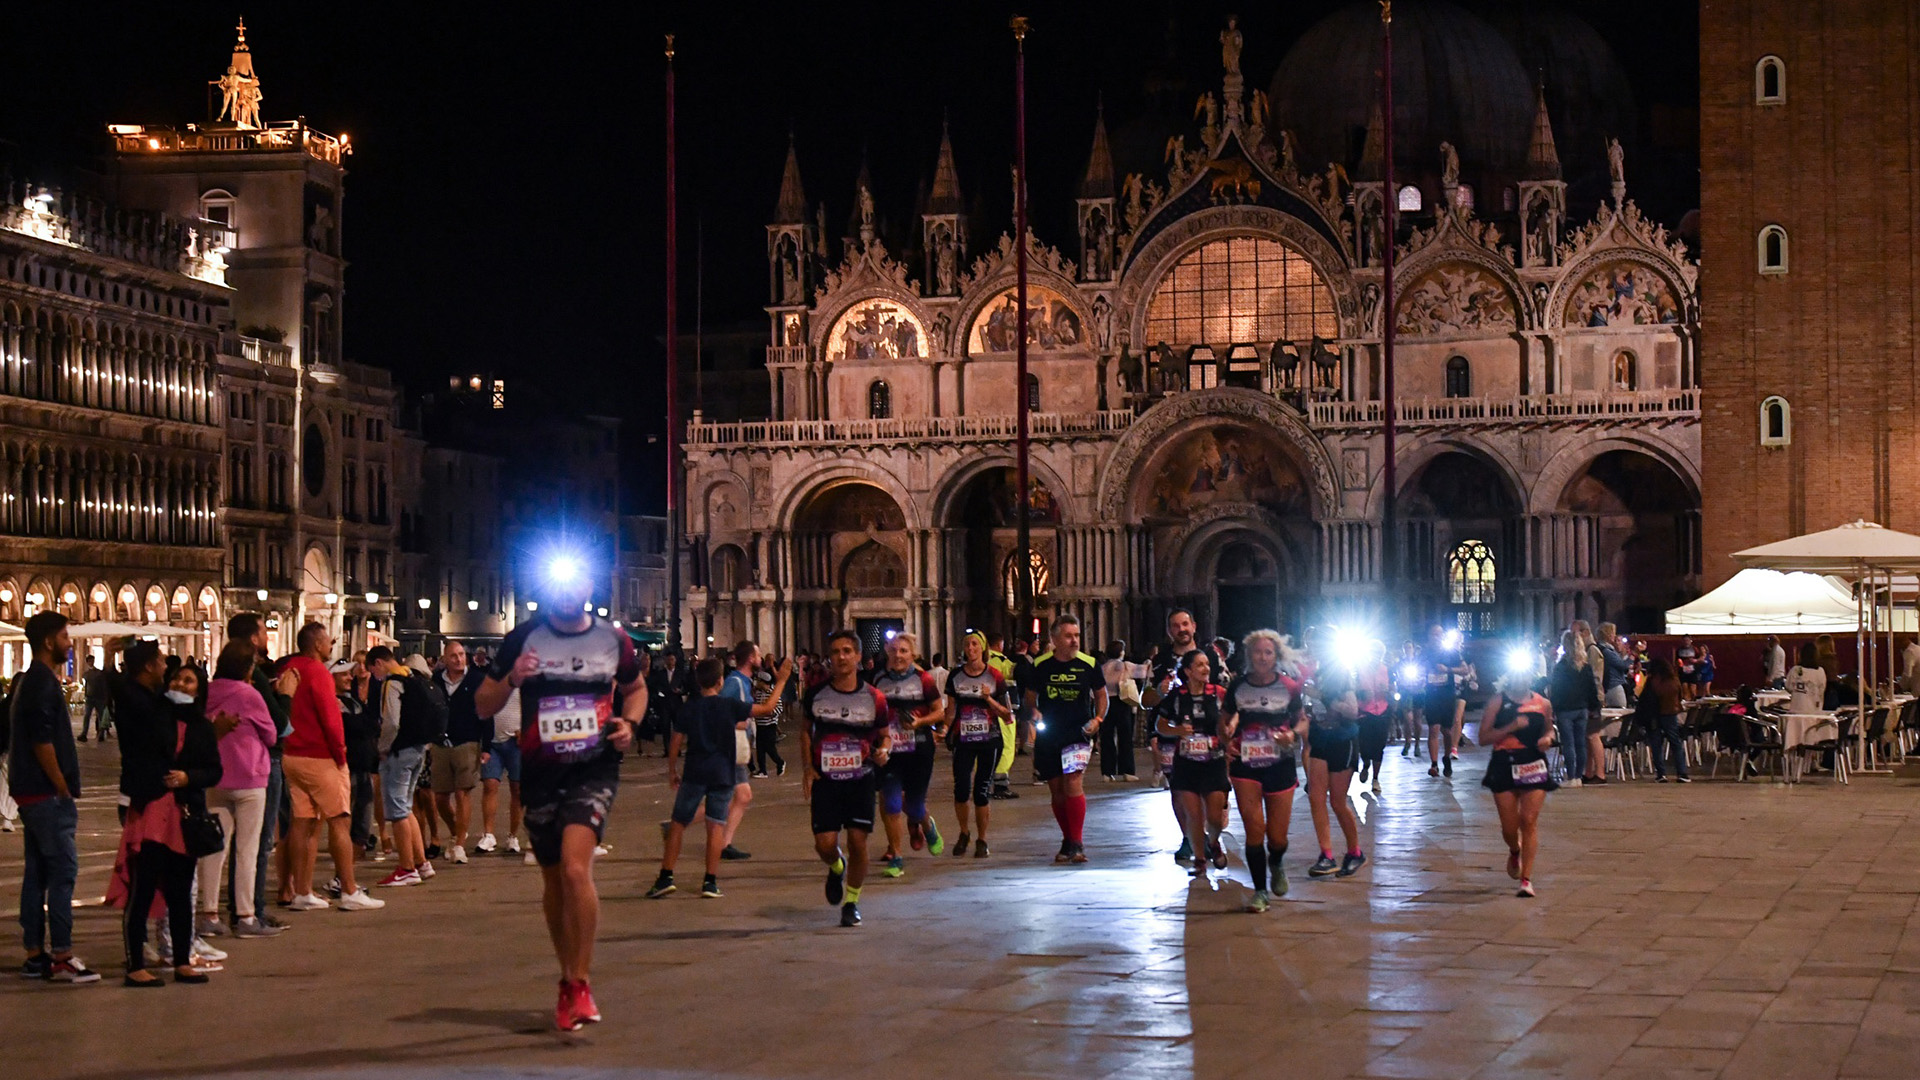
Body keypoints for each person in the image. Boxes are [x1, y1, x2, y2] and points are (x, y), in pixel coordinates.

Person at [474, 573, 644, 1032]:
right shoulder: (524, 638)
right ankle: (567, 978)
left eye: (577, 586)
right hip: (541, 773)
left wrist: (629, 723)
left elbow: (636, 688)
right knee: (553, 879)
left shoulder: (614, 639)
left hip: (594, 767)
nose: (569, 595)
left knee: (575, 867)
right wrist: (513, 677)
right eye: (560, 587)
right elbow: (483, 705)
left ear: (589, 590)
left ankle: (582, 981)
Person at [115, 640, 224, 986]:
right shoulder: (150, 710)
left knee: (179, 891)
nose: (178, 683)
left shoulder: (202, 726)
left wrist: (189, 776)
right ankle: (135, 965)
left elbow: (213, 770)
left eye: (189, 681)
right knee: (143, 888)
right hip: (151, 809)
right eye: (175, 677)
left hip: (184, 814)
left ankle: (182, 960)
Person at [648, 655, 791, 900]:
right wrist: (782, 681)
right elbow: (767, 708)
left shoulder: (690, 707)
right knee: (716, 826)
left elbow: (675, 741)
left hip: (695, 771)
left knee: (678, 825)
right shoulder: (728, 706)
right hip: (723, 772)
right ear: (720, 681)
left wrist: (672, 771)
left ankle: (666, 876)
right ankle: (710, 881)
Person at [10, 612, 99, 984]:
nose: (68, 642)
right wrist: (61, 784)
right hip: (45, 793)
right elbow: (42, 741)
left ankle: (35, 953)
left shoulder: (31, 682)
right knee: (63, 872)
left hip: (29, 790)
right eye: (64, 636)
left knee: (38, 873)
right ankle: (62, 956)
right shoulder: (43, 684)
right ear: (49, 642)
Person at [278, 623, 382, 912]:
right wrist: (340, 754)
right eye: (328, 641)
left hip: (292, 754)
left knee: (303, 821)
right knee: (339, 820)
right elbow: (330, 717)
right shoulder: (317, 672)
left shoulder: (290, 670)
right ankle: (349, 889)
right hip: (320, 756)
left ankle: (302, 891)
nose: (331, 644)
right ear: (317, 644)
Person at [799, 630, 893, 927]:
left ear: (858, 657)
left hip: (860, 778)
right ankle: (836, 866)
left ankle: (851, 902)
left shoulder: (875, 698)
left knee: (857, 841)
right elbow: (805, 730)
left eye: (847, 651)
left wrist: (884, 751)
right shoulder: (815, 694)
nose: (841, 657)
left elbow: (885, 736)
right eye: (836, 651)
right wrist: (807, 768)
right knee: (825, 845)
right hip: (826, 779)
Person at [200, 641, 282, 938]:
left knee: (213, 848)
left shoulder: (206, 692)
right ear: (248, 668)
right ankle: (245, 916)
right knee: (246, 850)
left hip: (216, 776)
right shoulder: (250, 695)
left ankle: (209, 913)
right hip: (249, 777)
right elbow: (272, 734)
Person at [1223, 630, 1307, 912]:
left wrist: (1292, 736)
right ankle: (1260, 891)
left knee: (1278, 836)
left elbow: (1302, 722)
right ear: (1249, 655)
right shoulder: (1237, 687)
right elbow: (1223, 723)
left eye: (1268, 652)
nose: (1262, 657)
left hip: (1280, 764)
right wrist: (1226, 742)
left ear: (1277, 656)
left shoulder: (1289, 687)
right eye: (1257, 652)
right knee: (1254, 829)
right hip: (1245, 765)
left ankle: (1277, 860)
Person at [227, 613, 297, 932]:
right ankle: (251, 910)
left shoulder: (223, 676)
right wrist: (285, 694)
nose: (268, 637)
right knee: (258, 839)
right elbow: (279, 725)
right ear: (254, 640)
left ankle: (238, 907)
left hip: (230, 766)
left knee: (239, 842)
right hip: (262, 764)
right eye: (264, 632)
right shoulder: (251, 678)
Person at [1025, 616, 1106, 865]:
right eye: (1069, 636)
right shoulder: (1040, 665)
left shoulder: (1089, 665)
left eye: (1077, 636)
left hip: (1077, 733)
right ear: (1054, 639)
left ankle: (1077, 843)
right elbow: (1030, 697)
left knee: (1073, 783)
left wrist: (1098, 719)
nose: (1074, 641)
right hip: (1050, 733)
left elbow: (1102, 696)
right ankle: (1067, 839)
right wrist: (1034, 711)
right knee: (1057, 790)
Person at [871, 632, 946, 876]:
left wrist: (919, 722)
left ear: (913, 654)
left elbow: (939, 712)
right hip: (890, 752)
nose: (898, 655)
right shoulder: (879, 679)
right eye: (894, 650)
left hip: (919, 750)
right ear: (887, 652)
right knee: (891, 803)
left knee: (913, 806)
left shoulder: (923, 680)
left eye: (903, 651)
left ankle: (927, 824)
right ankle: (897, 856)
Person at [1477, 671, 1557, 898]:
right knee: (1510, 827)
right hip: (1504, 763)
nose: (1522, 680)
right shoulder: (1498, 702)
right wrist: (1511, 726)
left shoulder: (1543, 703)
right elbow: (1483, 737)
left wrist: (1548, 738)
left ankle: (1526, 880)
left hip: (1533, 763)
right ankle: (1515, 849)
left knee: (1529, 820)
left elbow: (1549, 728)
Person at [1156, 649, 1232, 879]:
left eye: (1207, 664)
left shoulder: (1218, 694)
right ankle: (1200, 859)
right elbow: (1160, 724)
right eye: (1199, 665)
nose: (1205, 669)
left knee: (1216, 817)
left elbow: (1234, 716)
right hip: (1186, 763)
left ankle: (1214, 841)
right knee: (1194, 815)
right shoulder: (1177, 696)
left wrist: (1227, 732)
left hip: (1214, 761)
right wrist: (1176, 730)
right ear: (1187, 671)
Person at [946, 631, 1010, 858]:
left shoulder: (994, 676)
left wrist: (988, 698)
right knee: (961, 789)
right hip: (963, 740)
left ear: (982, 648)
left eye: (975, 644)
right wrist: (944, 730)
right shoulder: (955, 676)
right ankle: (964, 833)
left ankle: (982, 839)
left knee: (981, 791)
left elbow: (1007, 714)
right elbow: (950, 710)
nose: (970, 648)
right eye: (967, 645)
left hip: (989, 740)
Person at [1147, 609, 1203, 861]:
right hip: (1170, 733)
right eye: (1175, 625)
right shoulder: (1159, 662)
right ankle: (1189, 838)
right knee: (1178, 789)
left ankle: (1207, 836)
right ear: (1169, 630)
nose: (1181, 629)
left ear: (1194, 626)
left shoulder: (1208, 657)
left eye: (1185, 624)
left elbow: (1225, 690)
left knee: (1206, 789)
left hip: (1204, 733)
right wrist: (1159, 691)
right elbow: (1144, 700)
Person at [1305, 664, 1367, 879]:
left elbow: (1353, 711)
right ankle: (1326, 855)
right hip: (1321, 738)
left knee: (1337, 802)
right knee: (1316, 797)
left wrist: (1322, 696)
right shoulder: (1314, 675)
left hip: (1343, 740)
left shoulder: (1341, 675)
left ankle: (1354, 852)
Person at [430, 642, 486, 865]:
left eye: (462, 655)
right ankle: (456, 831)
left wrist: (487, 746)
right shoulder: (436, 682)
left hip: (468, 741)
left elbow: (485, 712)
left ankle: (460, 844)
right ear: (444, 659)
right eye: (453, 656)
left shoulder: (476, 680)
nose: (458, 659)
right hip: (441, 743)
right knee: (441, 797)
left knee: (463, 793)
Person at [715, 641, 762, 861]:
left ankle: (724, 842)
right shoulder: (735, 682)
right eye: (758, 654)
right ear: (751, 658)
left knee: (736, 796)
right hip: (731, 747)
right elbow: (719, 711)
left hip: (736, 747)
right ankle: (723, 843)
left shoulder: (743, 681)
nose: (761, 658)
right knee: (739, 796)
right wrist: (737, 723)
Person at [337, 659, 380, 869]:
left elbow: (372, 724)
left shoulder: (353, 702)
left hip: (364, 765)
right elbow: (353, 727)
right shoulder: (333, 702)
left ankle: (352, 863)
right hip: (346, 766)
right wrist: (362, 724)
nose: (349, 678)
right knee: (343, 817)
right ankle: (343, 871)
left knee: (363, 816)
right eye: (344, 674)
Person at [477, 682, 526, 859]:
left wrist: (525, 729)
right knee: (490, 785)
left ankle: (513, 836)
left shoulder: (523, 684)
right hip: (492, 744)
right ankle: (488, 834)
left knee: (517, 789)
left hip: (516, 743)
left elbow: (532, 708)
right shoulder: (489, 685)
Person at [1545, 631, 1599, 787]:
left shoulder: (1560, 667)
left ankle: (1570, 776)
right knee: (1580, 743)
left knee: (1568, 744)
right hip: (1582, 708)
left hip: (1565, 709)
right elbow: (1592, 688)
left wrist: (1553, 708)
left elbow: (1556, 690)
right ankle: (1578, 777)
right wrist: (1593, 706)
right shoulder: (1586, 667)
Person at [1421, 626, 1468, 778]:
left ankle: (1446, 758)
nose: (1437, 637)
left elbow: (1464, 669)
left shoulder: (1451, 652)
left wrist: (1447, 669)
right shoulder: (1424, 653)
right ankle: (1434, 764)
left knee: (1447, 731)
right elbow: (1417, 669)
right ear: (1429, 636)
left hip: (1447, 694)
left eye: (1439, 634)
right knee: (1433, 729)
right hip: (1431, 695)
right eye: (1434, 634)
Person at [1099, 640, 1147, 781]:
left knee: (1107, 737)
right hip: (1122, 702)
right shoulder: (1125, 665)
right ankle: (1127, 771)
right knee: (1125, 737)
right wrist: (1149, 662)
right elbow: (1144, 671)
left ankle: (1107, 772)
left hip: (1106, 702)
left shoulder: (1103, 667)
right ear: (1121, 652)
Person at [983, 632, 1020, 800]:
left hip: (983, 712)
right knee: (1006, 745)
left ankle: (985, 783)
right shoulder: (1002, 662)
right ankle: (1000, 785)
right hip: (1003, 709)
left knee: (985, 745)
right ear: (999, 645)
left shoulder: (980, 663)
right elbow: (1016, 679)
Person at [1353, 642, 1392, 794]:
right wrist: (1362, 693)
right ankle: (1366, 764)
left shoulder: (1386, 669)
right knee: (1364, 745)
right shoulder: (1360, 669)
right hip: (1365, 711)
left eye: (1379, 652)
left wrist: (1388, 691)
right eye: (1374, 652)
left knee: (1379, 746)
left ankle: (1376, 778)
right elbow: (1352, 689)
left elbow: (1394, 690)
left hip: (1382, 710)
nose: (1376, 655)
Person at [1642, 658, 1688, 783]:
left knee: (1656, 745)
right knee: (1675, 743)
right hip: (1671, 713)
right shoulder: (1674, 680)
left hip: (1655, 715)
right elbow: (1680, 696)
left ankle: (1661, 774)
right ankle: (1682, 772)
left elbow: (1646, 698)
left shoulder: (1653, 681)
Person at [1786, 642, 1828, 716]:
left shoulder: (1795, 670)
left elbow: (1788, 687)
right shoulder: (1820, 671)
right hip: (1814, 711)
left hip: (1795, 710)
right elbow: (1822, 689)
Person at [78, 655, 112, 742]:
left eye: (92, 661)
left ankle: (100, 734)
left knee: (99, 716)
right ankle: (85, 733)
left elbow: (102, 685)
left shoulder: (95, 673)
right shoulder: (90, 673)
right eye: (90, 661)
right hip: (90, 697)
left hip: (97, 697)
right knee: (89, 716)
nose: (91, 662)